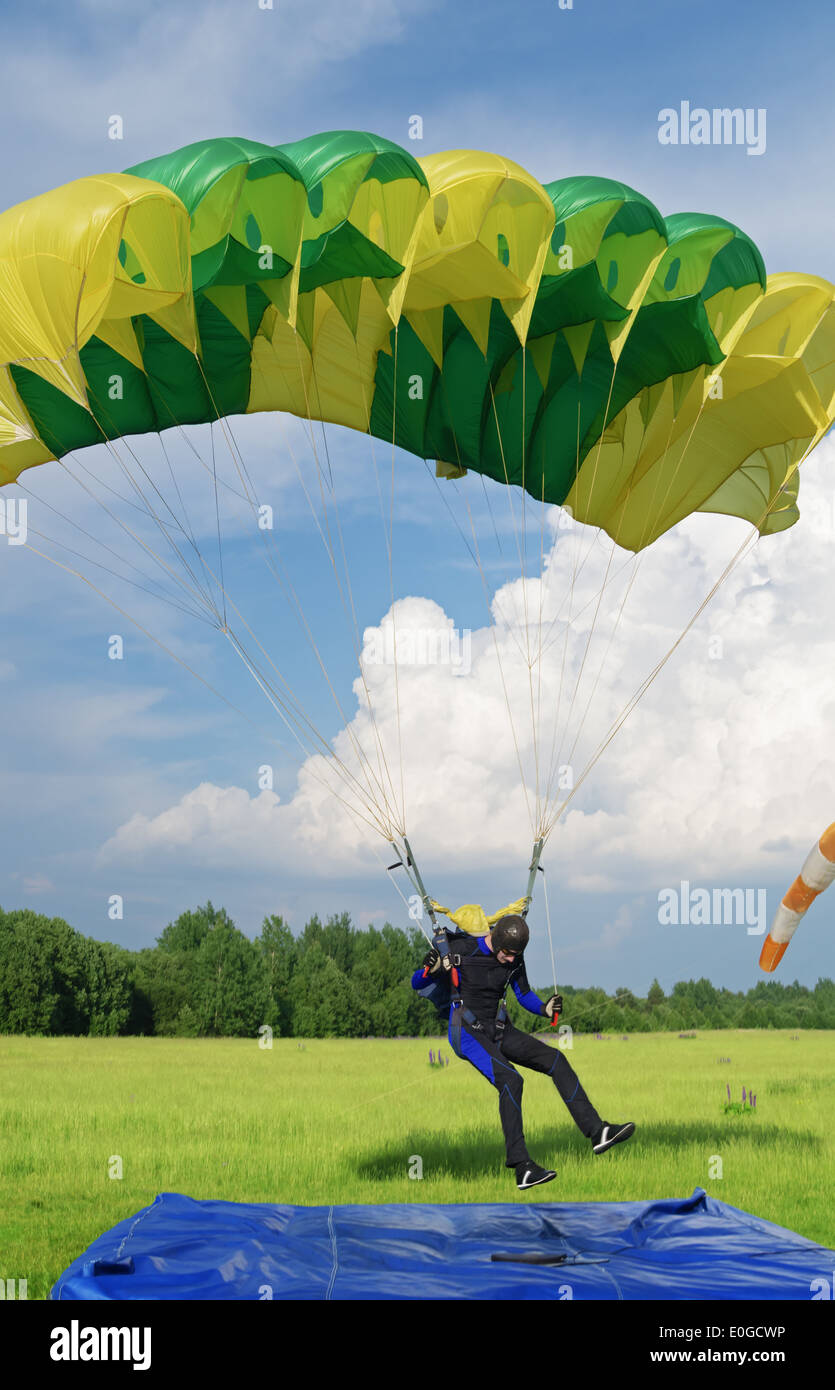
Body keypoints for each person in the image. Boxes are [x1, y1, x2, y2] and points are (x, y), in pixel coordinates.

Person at [412, 913, 635, 1189]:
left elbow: (523, 993)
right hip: (466, 1032)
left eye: (515, 955)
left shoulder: (514, 958)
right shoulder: (459, 950)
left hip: (498, 1029)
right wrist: (429, 970)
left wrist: (544, 1008)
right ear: (494, 940)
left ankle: (597, 1131)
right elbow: (417, 984)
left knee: (555, 1059)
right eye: (507, 954)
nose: (510, 959)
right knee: (511, 1080)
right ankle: (522, 1167)